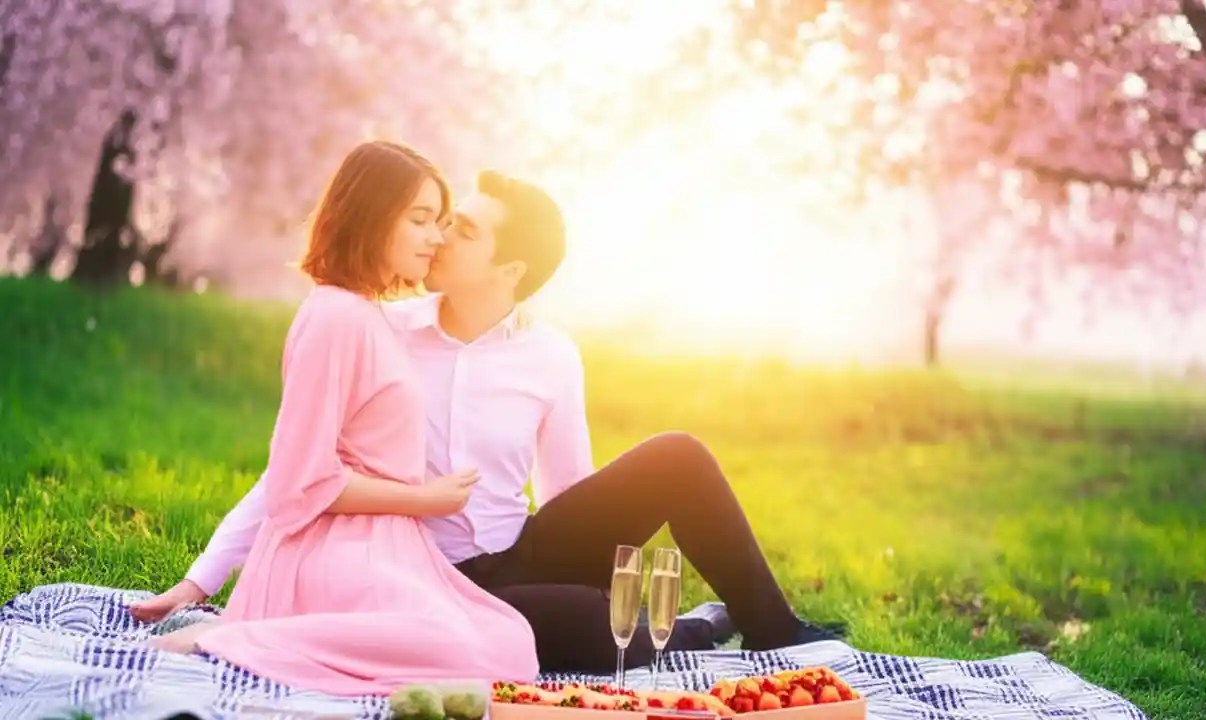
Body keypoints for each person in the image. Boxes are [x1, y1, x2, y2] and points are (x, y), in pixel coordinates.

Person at [136, 170, 839, 674]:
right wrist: (199, 582)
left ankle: (773, 629)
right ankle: (688, 629)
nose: (439, 236)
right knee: (585, 632)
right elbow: (296, 472)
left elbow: (571, 491)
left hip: (523, 547)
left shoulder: (550, 354)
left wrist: (596, 570)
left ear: (509, 268)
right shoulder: (381, 332)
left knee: (676, 456)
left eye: (462, 229)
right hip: (429, 580)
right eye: (440, 222)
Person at [147, 141, 539, 694]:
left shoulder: (368, 314)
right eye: (421, 220)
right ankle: (230, 638)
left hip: (387, 549)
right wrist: (424, 499)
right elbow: (295, 482)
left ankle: (252, 633)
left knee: (509, 642)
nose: (436, 238)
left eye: (442, 222)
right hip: (333, 551)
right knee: (465, 647)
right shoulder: (334, 319)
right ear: (374, 218)